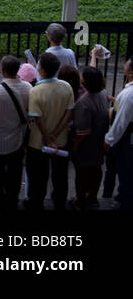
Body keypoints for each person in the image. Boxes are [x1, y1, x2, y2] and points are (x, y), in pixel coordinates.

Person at [0, 54, 31, 211]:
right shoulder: (28, 88)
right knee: (15, 174)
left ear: (2, 70)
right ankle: (12, 200)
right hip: (18, 139)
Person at [25, 50, 73, 211]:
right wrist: (55, 135)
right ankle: (59, 203)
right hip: (61, 141)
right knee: (60, 177)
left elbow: (37, 119)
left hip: (38, 143)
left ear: (42, 70)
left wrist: (47, 138)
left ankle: (35, 203)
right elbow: (68, 113)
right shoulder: (66, 87)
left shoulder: (35, 91)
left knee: (38, 178)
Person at [71, 66, 109, 209]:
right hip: (99, 141)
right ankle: (92, 197)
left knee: (82, 174)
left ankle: (81, 200)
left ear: (85, 81)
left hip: (86, 145)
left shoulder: (83, 103)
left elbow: (82, 131)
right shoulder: (103, 94)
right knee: (96, 170)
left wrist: (74, 146)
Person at [104, 55, 133, 211]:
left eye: (126, 66)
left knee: (125, 171)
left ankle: (125, 200)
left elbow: (121, 123)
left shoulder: (129, 94)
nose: (124, 67)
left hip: (127, 139)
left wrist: (109, 140)